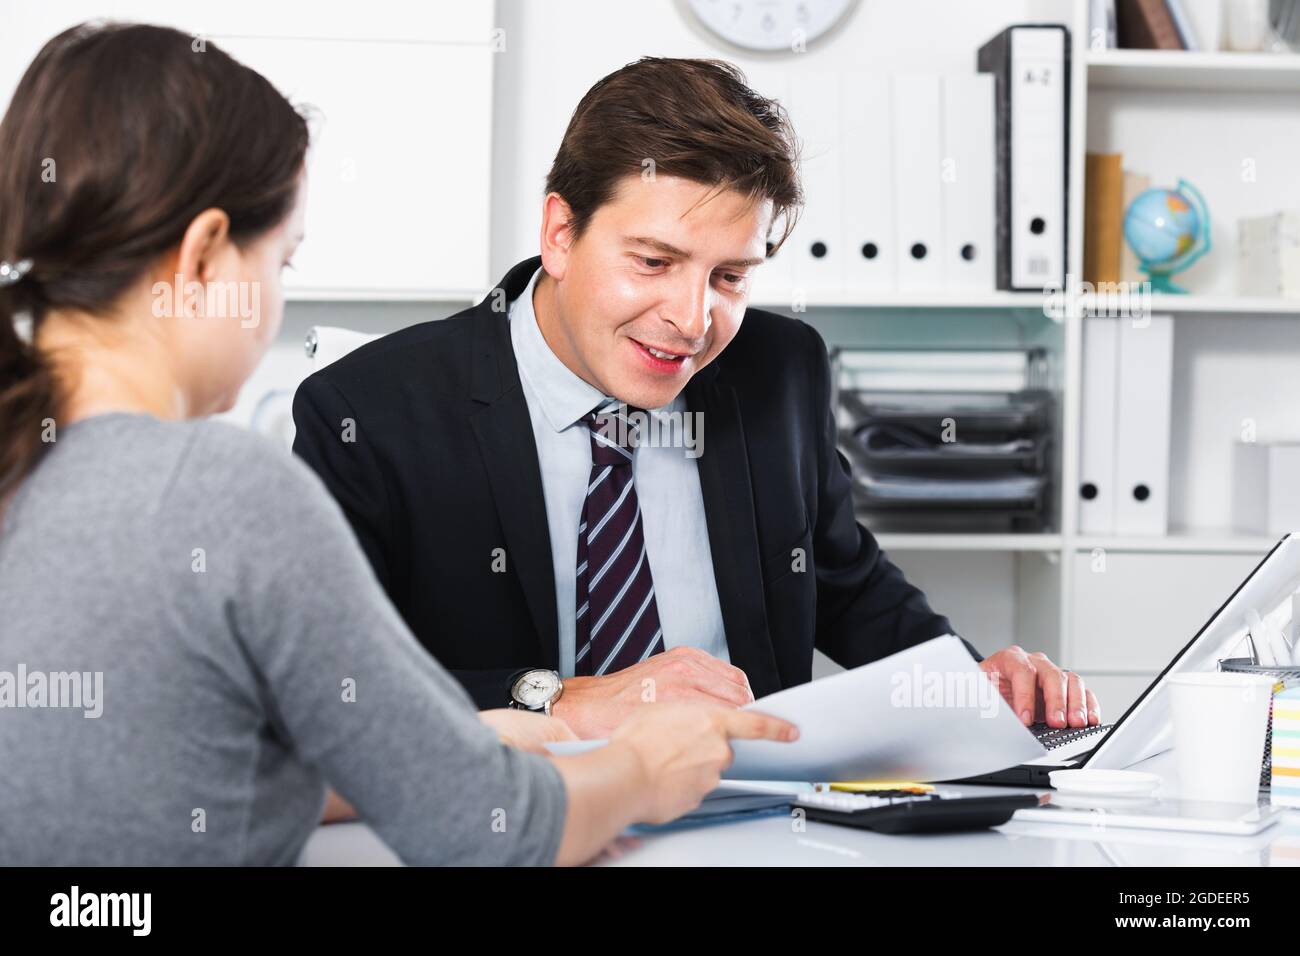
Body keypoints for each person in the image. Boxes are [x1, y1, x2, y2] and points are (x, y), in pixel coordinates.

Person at [0, 23, 796, 867]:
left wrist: (474, 736)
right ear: (203, 258)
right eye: (281, 264)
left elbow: (164, 767)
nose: (691, 316)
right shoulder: (225, 492)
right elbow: (494, 830)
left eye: (729, 277)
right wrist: (643, 769)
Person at [293, 57, 1103, 740]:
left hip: (751, 815)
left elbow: (844, 585)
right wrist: (561, 700)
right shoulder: (370, 411)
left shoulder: (780, 370)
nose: (691, 320)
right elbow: (325, 679)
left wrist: (968, 684)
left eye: (730, 277)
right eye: (653, 262)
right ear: (560, 234)